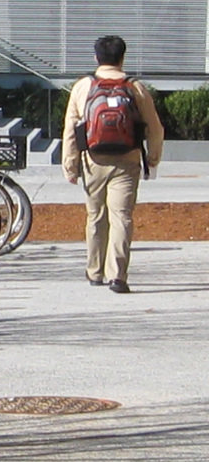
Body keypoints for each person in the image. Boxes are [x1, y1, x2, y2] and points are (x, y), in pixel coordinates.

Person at [62, 35, 163, 293]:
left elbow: (71, 129)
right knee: (122, 217)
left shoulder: (83, 86)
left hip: (93, 160)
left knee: (96, 216)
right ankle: (117, 276)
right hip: (127, 161)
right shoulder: (135, 87)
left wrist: (70, 165)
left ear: (96, 58)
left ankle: (95, 271)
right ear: (122, 58)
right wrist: (152, 159)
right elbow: (155, 128)